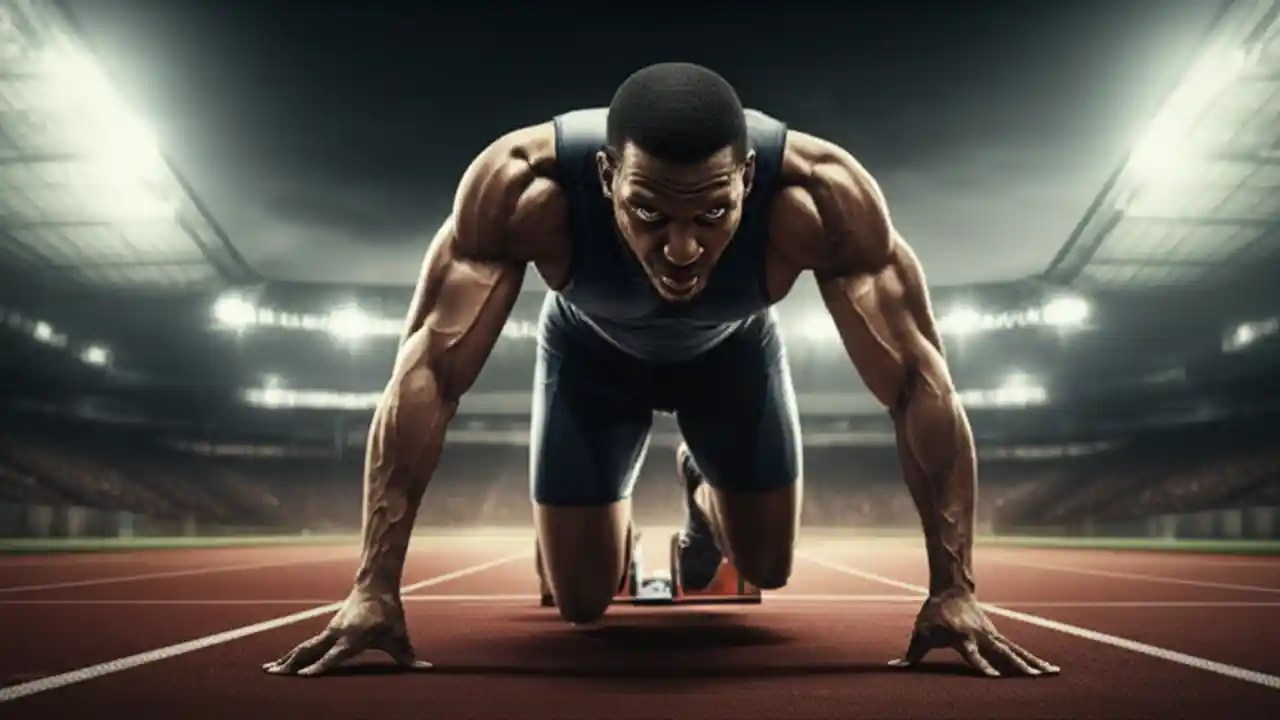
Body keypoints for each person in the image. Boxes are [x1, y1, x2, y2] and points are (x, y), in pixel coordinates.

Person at [264, 62, 1059, 678]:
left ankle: (697, 492)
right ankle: (599, 529)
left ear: (749, 178)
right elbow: (428, 373)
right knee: (580, 604)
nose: (682, 251)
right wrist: (374, 584)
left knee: (769, 568)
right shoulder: (523, 187)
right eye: (649, 213)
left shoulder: (819, 199)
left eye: (713, 216)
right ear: (606, 177)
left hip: (734, 358)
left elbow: (921, 382)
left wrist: (955, 588)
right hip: (588, 362)